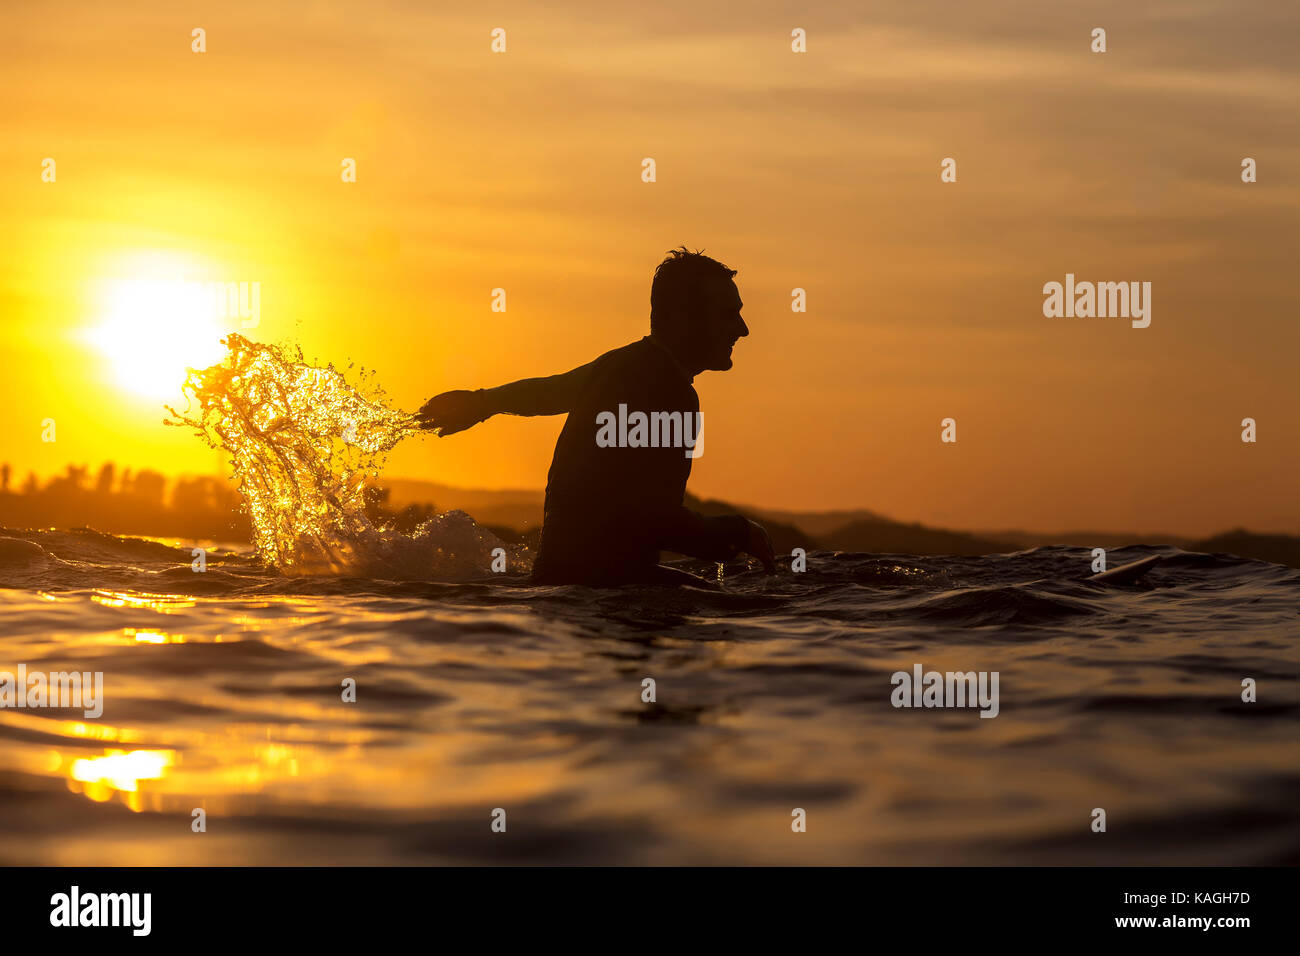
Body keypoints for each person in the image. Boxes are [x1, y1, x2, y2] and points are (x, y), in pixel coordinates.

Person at [417, 247, 775, 585]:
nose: (742, 329)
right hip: (601, 591)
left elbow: (549, 392)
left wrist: (482, 403)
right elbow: (652, 521)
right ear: (684, 317)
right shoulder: (668, 391)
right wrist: (739, 533)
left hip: (562, 580)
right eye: (728, 314)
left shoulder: (623, 366)